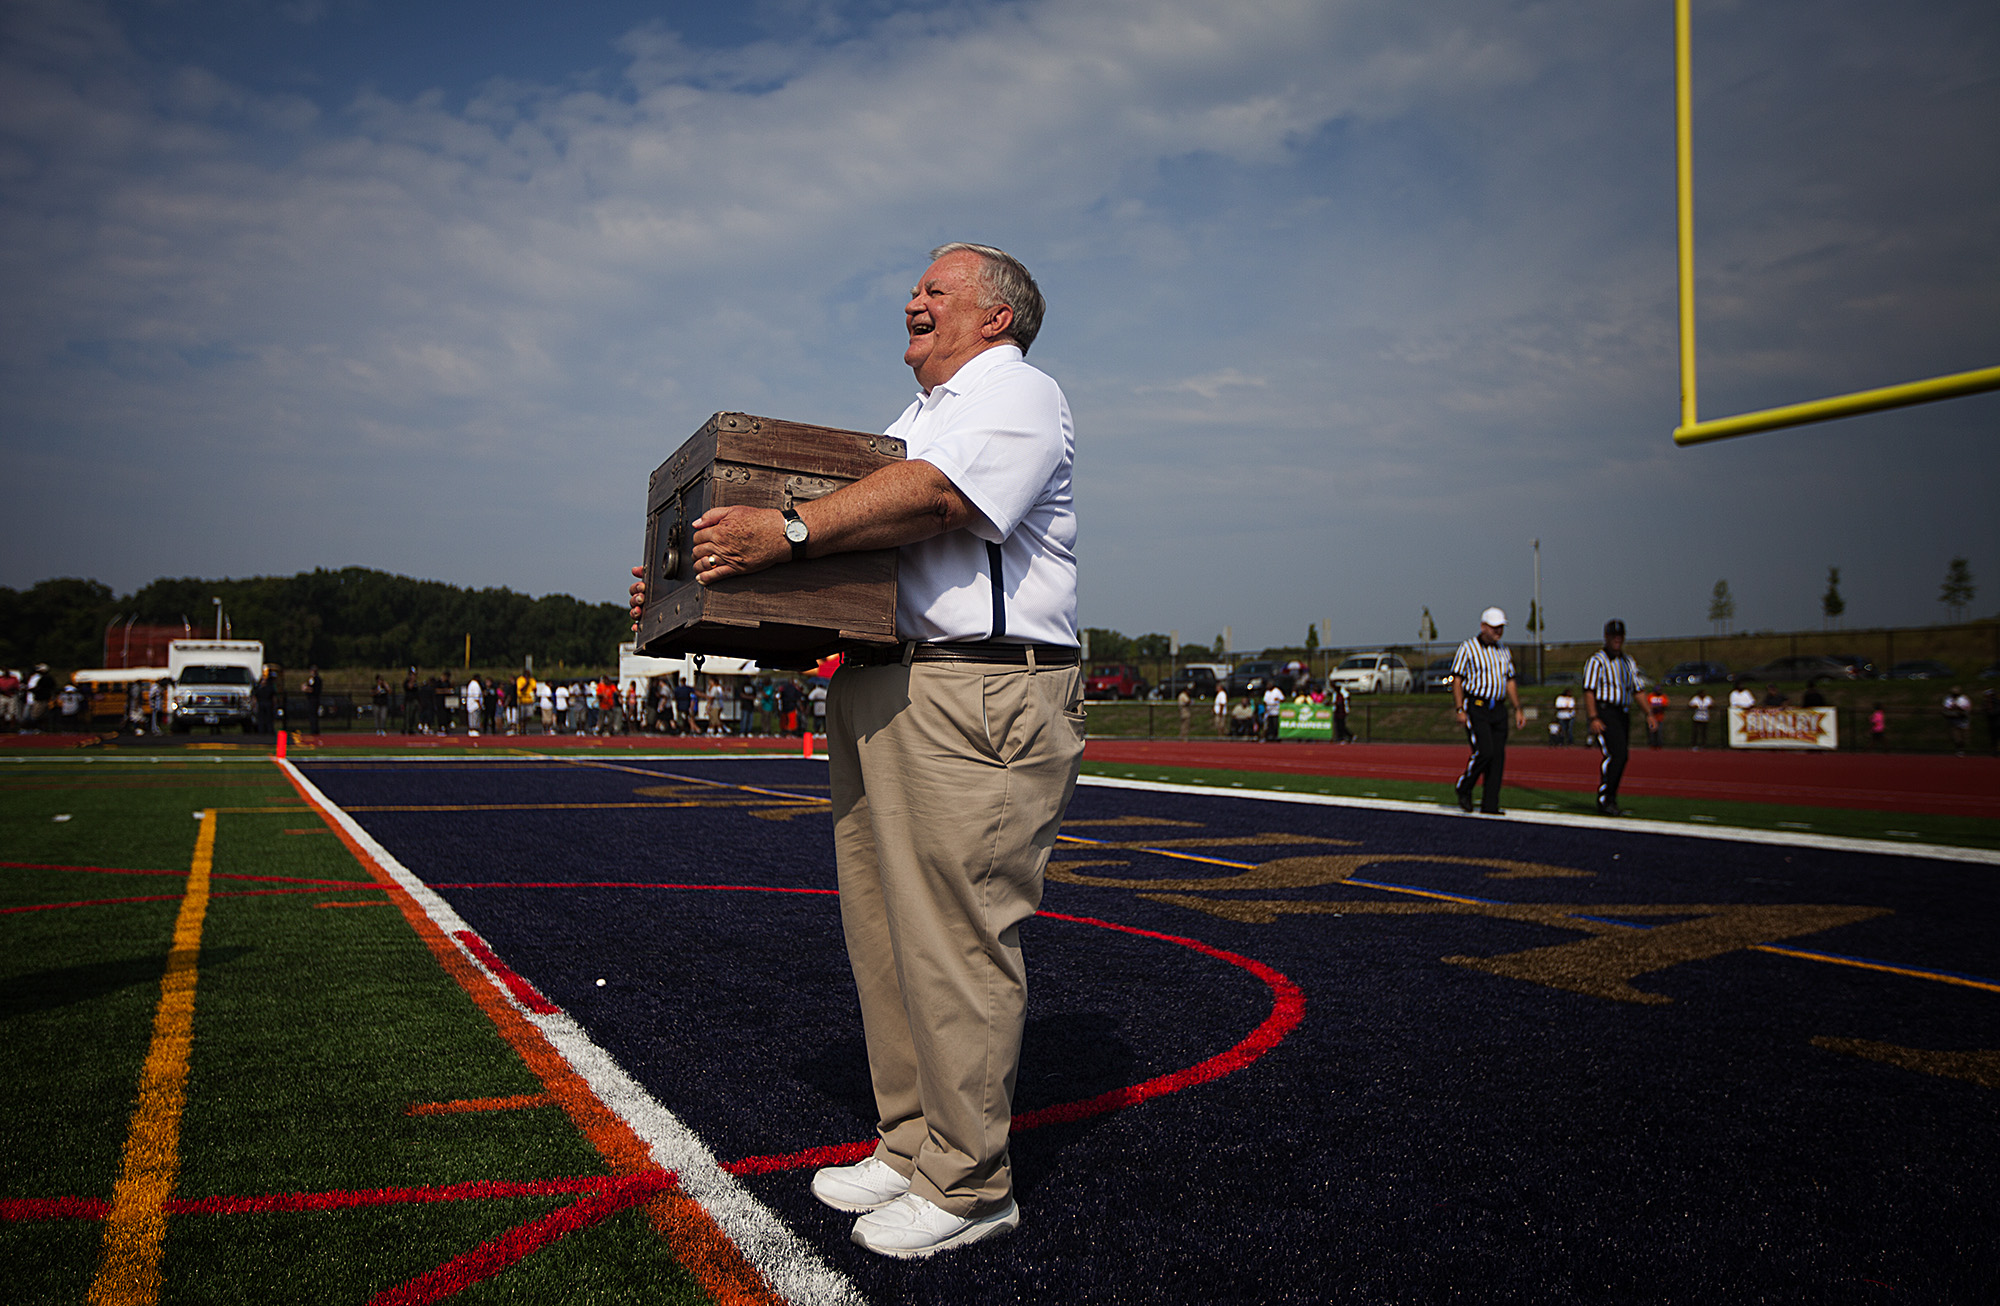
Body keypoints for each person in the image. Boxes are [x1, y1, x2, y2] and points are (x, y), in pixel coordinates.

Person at [630, 242, 1080, 1258]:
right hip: (884, 678)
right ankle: (913, 1140)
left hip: (978, 683)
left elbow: (935, 500)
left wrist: (781, 531)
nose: (910, 301)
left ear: (996, 317)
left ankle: (969, 1184)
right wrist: (691, 591)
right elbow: (843, 571)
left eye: (935, 289)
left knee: (955, 936)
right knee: (885, 935)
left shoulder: (1019, 391)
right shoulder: (913, 422)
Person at [1450, 607, 1524, 814]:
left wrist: (1517, 708)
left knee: (1498, 757)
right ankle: (1465, 786)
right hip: (1477, 706)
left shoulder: (1503, 651)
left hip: (1498, 707)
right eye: (1494, 628)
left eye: (1500, 628)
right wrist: (1459, 708)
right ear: (1483, 627)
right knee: (1485, 751)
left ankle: (1490, 803)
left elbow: (1509, 680)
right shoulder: (1468, 648)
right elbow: (1457, 679)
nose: (1498, 632)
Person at [1582, 619, 1639, 816]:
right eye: (1613, 636)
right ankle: (1606, 799)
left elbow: (1637, 688)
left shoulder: (1627, 662)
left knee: (1622, 756)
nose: (1617, 640)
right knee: (1617, 754)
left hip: (1622, 711)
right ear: (1606, 637)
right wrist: (1593, 717)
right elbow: (1589, 690)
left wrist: (1649, 713)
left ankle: (1611, 797)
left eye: (1620, 636)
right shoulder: (1597, 661)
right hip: (1605, 710)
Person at [1943, 686, 1972, 756]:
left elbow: (1966, 708)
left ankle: (1963, 748)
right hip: (1954, 720)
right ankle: (1958, 749)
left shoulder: (1963, 699)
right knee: (1956, 736)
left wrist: (1959, 708)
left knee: (1964, 736)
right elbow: (1946, 708)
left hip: (1963, 720)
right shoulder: (1948, 699)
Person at [302, 666, 323, 736]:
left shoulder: (313, 679)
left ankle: (314, 730)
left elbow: (312, 689)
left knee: (312, 715)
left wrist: (305, 688)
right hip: (315, 699)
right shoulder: (318, 679)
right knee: (314, 715)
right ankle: (315, 730)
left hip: (313, 699)